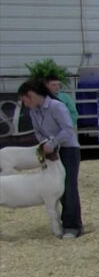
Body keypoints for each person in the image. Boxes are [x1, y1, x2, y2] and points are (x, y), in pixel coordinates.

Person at [17, 79, 83, 239]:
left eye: (24, 100)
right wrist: (45, 144)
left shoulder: (56, 106)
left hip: (67, 150)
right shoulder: (34, 111)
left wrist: (53, 142)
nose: (24, 104)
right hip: (48, 150)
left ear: (31, 95)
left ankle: (73, 225)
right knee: (52, 186)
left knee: (67, 187)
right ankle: (58, 222)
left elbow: (67, 129)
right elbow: (38, 132)